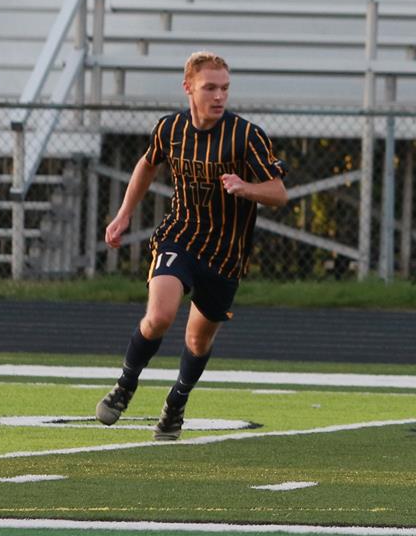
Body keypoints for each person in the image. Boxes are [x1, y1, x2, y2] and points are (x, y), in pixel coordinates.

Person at [96, 52, 287, 440]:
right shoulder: (170, 129)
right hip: (180, 236)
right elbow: (148, 163)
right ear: (188, 87)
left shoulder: (246, 135)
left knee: (198, 340)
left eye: (225, 88)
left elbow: (279, 193)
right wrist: (124, 214)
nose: (219, 96)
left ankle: (176, 403)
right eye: (210, 88)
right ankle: (125, 385)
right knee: (159, 316)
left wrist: (246, 188)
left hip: (226, 254)